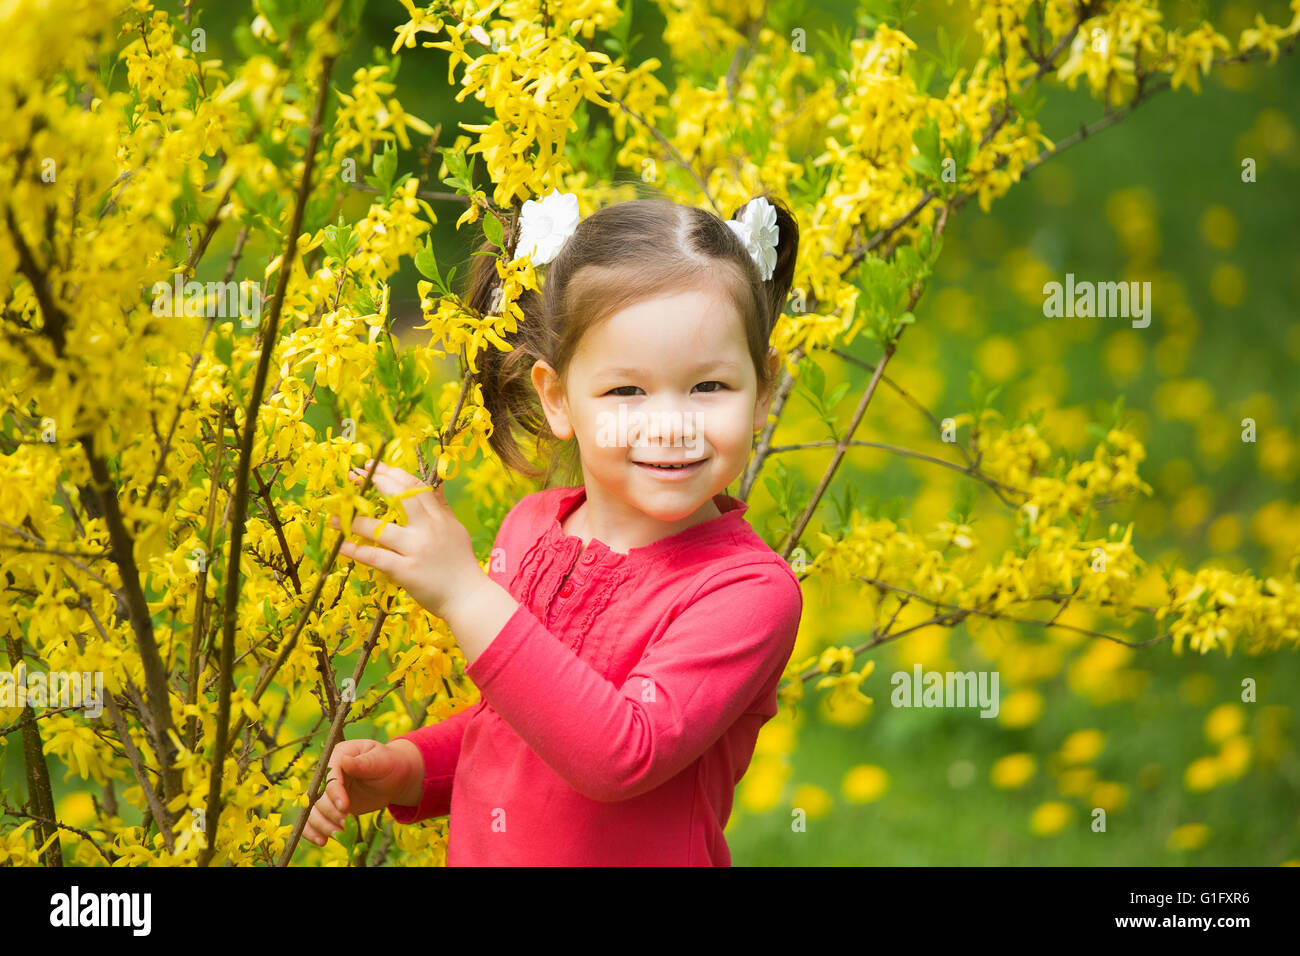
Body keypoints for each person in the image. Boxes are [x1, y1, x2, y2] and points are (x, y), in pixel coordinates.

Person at [304, 187, 804, 865]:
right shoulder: (532, 528)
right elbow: (515, 728)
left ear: (762, 387)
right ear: (559, 398)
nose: (672, 422)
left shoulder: (746, 591)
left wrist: (464, 594)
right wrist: (414, 767)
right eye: (627, 390)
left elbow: (619, 755)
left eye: (709, 386)